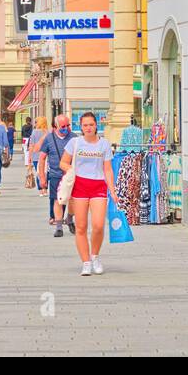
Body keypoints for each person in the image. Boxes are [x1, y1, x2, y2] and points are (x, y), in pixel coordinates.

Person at [59, 112, 118, 275]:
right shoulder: (74, 143)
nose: (88, 128)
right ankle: (85, 262)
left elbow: (107, 169)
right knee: (81, 226)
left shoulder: (104, 144)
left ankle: (95, 256)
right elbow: (63, 162)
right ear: (81, 126)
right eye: (85, 125)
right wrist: (71, 169)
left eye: (91, 124)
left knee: (98, 225)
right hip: (80, 185)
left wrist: (112, 190)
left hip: (98, 185)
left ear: (96, 125)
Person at [39, 114, 76, 236]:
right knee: (57, 200)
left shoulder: (74, 138)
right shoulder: (49, 138)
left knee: (72, 200)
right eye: (63, 126)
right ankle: (59, 227)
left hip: (71, 175)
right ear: (55, 126)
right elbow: (42, 158)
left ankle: (69, 218)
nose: (66, 128)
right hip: (55, 175)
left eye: (67, 125)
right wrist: (42, 178)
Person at [28, 117, 49, 194]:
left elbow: (31, 145)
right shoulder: (48, 132)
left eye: (36, 122)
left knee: (39, 172)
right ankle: (45, 189)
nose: (35, 123)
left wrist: (29, 157)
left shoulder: (34, 132)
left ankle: (40, 190)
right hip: (46, 156)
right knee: (45, 172)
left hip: (36, 156)